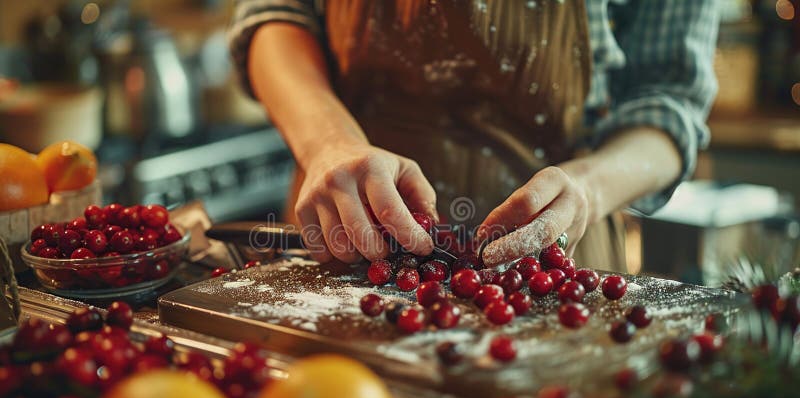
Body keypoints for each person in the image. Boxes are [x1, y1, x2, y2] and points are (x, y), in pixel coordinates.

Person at [228, 0, 719, 269]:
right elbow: (277, 14)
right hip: (347, 227)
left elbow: (668, 102)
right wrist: (328, 143)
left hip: (547, 260)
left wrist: (589, 189)